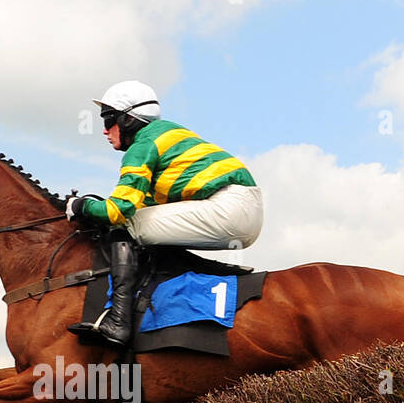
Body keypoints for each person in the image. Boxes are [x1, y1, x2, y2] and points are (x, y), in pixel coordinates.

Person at [66, 80, 263, 348]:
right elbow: (144, 207)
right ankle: (216, 271)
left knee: (126, 227)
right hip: (240, 207)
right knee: (146, 228)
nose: (104, 130)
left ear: (127, 120)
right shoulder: (167, 135)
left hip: (230, 207)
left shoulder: (143, 146)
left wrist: (81, 206)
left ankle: (118, 321)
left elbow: (118, 211)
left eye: (108, 119)